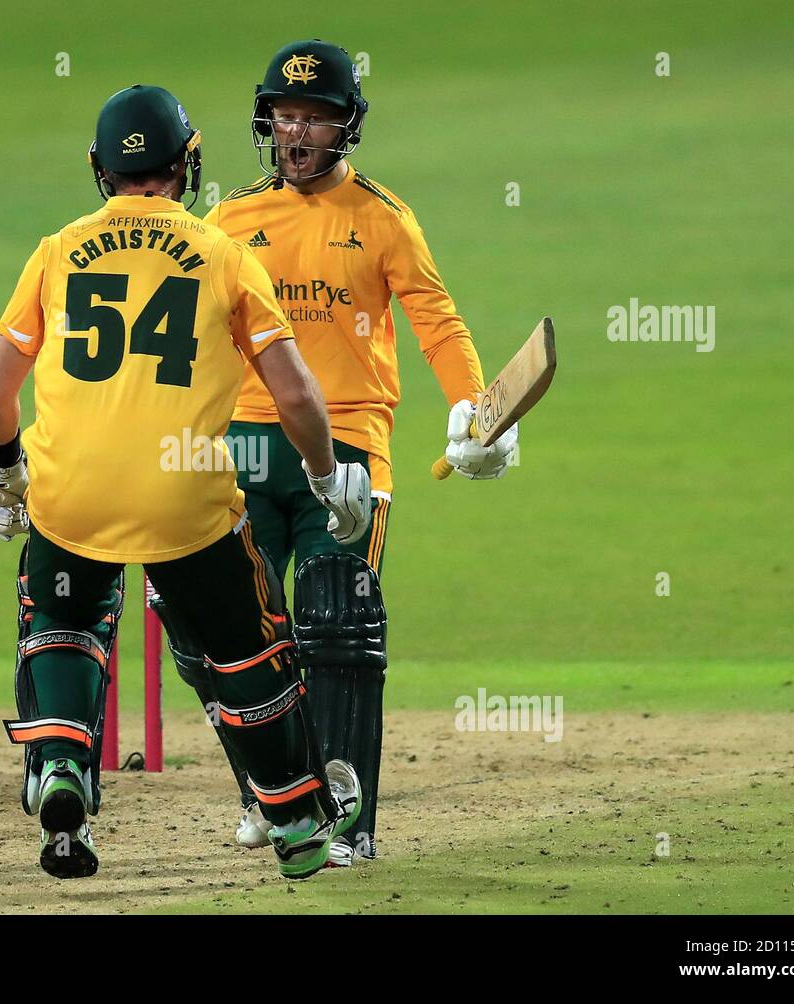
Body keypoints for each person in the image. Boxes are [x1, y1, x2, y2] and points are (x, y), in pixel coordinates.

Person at [0, 84, 372, 880]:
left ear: (99, 170)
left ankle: (60, 768)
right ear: (188, 164)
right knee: (248, 651)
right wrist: (327, 477)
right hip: (185, 498)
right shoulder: (223, 253)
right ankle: (295, 823)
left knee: (61, 619)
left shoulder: (56, 250)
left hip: (71, 491)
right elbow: (294, 394)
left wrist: (8, 470)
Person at [204, 40, 518, 860]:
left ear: (348, 127)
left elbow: (437, 323)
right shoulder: (229, 219)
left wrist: (473, 409)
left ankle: (349, 822)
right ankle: (270, 794)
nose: (297, 133)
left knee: (338, 619)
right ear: (265, 121)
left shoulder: (383, 219)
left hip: (348, 444)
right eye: (285, 116)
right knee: (237, 627)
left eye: (315, 118)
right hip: (242, 443)